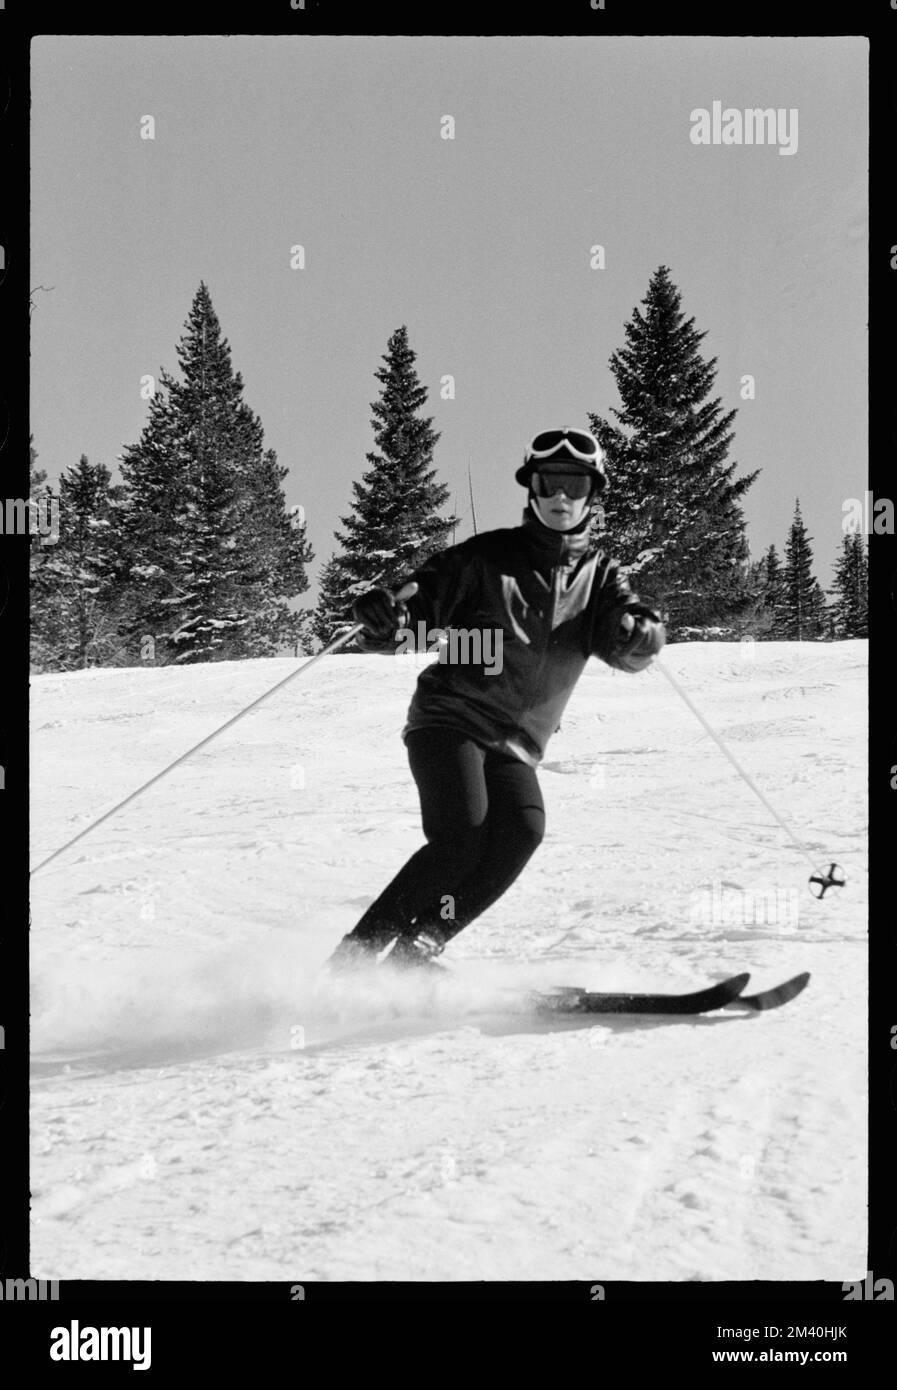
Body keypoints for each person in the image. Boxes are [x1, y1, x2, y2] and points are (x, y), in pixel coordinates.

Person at [326, 427, 665, 974]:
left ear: (591, 495)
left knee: (521, 833)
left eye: (575, 485)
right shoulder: (484, 559)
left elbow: (625, 644)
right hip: (450, 720)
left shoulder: (599, 578)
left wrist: (640, 636)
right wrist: (387, 621)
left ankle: (415, 953)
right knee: (461, 838)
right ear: (531, 488)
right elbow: (415, 624)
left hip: (517, 742)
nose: (561, 496)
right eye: (549, 482)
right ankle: (354, 960)